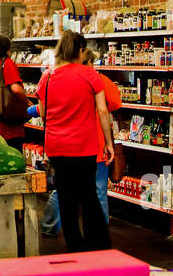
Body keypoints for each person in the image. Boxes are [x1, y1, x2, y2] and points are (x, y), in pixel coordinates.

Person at [36, 30, 115, 252]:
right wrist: (108, 143)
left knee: (66, 197)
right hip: (84, 145)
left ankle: (75, 246)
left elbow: (43, 113)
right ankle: (98, 245)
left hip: (57, 146)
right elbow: (102, 110)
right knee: (89, 194)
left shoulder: (47, 77)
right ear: (81, 50)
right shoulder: (89, 74)